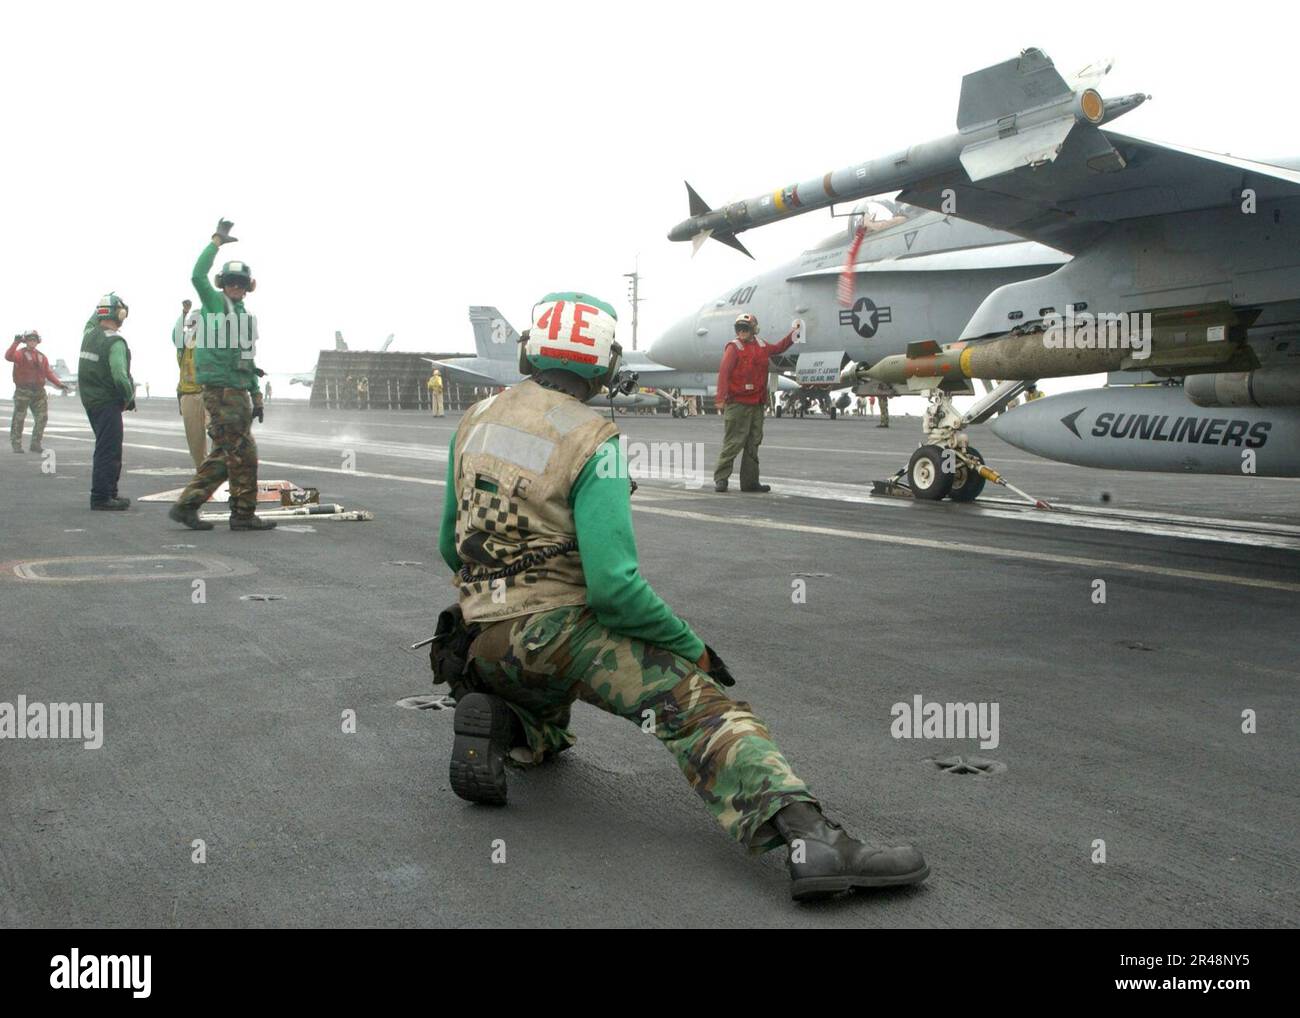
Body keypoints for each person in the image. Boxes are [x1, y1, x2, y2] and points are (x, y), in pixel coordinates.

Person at [435, 291, 928, 901]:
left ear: (530, 353)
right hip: (562, 635)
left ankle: (507, 724)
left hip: (484, 641)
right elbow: (615, 590)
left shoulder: (474, 420)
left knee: (540, 698)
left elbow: (449, 547)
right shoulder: (595, 439)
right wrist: (691, 647)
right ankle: (813, 842)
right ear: (606, 365)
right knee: (699, 710)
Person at [168, 218, 275, 532]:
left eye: (240, 283)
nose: (235, 287)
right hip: (220, 390)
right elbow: (196, 274)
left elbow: (247, 359)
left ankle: (222, 511)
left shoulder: (245, 318)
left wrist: (256, 394)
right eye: (230, 282)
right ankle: (219, 511)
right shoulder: (214, 304)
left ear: (247, 287)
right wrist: (215, 241)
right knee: (238, 452)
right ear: (222, 284)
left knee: (234, 452)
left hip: (238, 390)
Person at [713, 313, 794, 493]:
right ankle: (721, 479)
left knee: (753, 442)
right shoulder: (734, 348)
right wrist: (720, 398)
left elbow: (779, 348)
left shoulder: (762, 345)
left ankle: (750, 482)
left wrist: (794, 335)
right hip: (738, 403)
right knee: (733, 442)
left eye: (745, 328)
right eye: (739, 328)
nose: (741, 332)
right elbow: (724, 373)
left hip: (757, 403)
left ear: (754, 329)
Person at [77, 295, 136, 509]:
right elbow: (120, 376)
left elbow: (93, 318)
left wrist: (104, 301)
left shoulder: (89, 334)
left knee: (105, 446)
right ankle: (102, 496)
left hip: (91, 402)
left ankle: (110, 492)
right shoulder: (115, 342)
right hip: (107, 403)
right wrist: (129, 397)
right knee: (109, 449)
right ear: (119, 315)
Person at [7, 330, 69, 453]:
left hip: (39, 392)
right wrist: (15, 343)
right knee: (19, 418)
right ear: (26, 340)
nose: (32, 342)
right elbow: (9, 357)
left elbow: (48, 373)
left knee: (42, 417)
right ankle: (16, 444)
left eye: (34, 339)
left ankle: (35, 444)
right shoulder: (20, 354)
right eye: (30, 339)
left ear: (37, 341)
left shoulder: (42, 357)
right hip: (23, 391)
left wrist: (59, 384)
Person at [172, 300, 208, 469]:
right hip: (188, 395)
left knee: (219, 435)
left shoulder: (211, 342)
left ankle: (219, 472)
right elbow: (175, 335)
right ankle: (203, 472)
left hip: (209, 394)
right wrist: (184, 313)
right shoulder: (184, 344)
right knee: (195, 442)